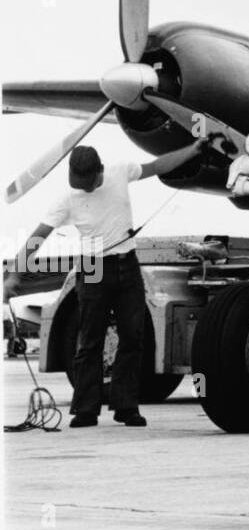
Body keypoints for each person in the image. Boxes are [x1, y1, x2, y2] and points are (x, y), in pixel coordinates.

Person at [12, 138, 209, 428]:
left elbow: (156, 166)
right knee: (90, 338)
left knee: (132, 336)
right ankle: (85, 409)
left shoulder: (119, 173)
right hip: (92, 263)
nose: (82, 189)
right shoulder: (68, 198)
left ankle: (126, 406)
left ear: (100, 171)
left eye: (87, 183)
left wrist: (192, 149)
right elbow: (39, 236)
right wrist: (15, 272)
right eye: (76, 184)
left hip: (125, 259)